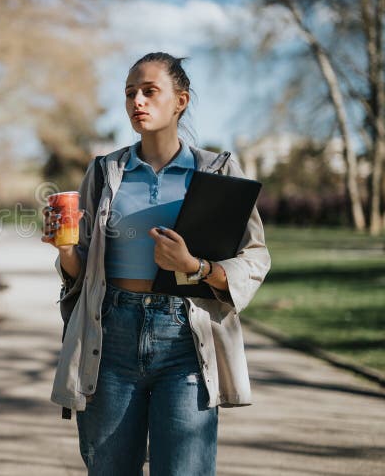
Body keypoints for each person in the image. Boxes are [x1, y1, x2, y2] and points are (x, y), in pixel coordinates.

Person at [43, 52, 271, 475]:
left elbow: (255, 256)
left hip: (184, 340)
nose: (137, 102)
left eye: (150, 91)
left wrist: (195, 266)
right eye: (130, 93)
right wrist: (63, 248)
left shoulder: (217, 170)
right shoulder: (105, 171)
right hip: (109, 339)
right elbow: (83, 274)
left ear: (180, 100)